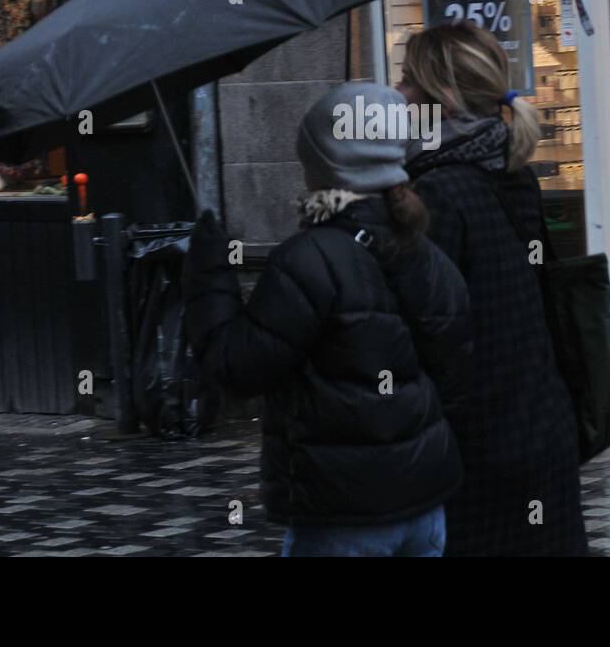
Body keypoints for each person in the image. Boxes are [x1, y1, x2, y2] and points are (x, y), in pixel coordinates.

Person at [182, 82, 471, 557]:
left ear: (323, 168)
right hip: (422, 506)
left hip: (343, 514)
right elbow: (454, 379)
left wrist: (209, 272)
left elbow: (236, 367)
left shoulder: (307, 259)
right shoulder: (426, 254)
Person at [397, 22, 588, 557]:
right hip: (539, 423)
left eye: (409, 80)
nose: (398, 93)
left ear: (444, 97)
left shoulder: (438, 189)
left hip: (478, 440)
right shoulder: (511, 173)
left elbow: (432, 330)